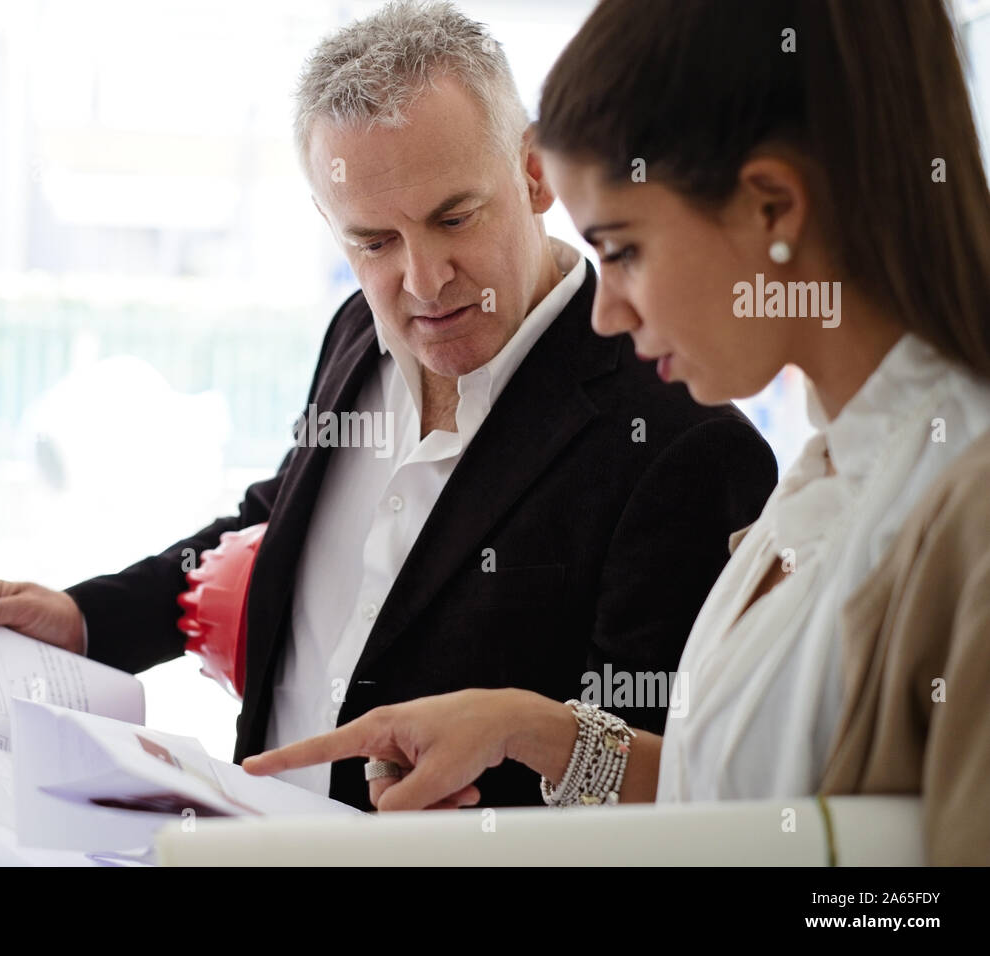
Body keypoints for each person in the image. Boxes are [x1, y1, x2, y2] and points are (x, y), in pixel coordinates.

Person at [0, 0, 777, 811]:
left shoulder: (682, 441)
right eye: (373, 242)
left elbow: (673, 791)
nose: (424, 281)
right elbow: (285, 519)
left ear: (534, 174)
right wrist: (87, 619)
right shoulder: (358, 329)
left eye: (453, 218)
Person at [244, 0, 990, 864]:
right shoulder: (832, 464)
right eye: (372, 240)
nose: (606, 305)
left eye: (624, 247)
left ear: (774, 209)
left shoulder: (957, 503)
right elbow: (737, 807)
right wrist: (536, 730)